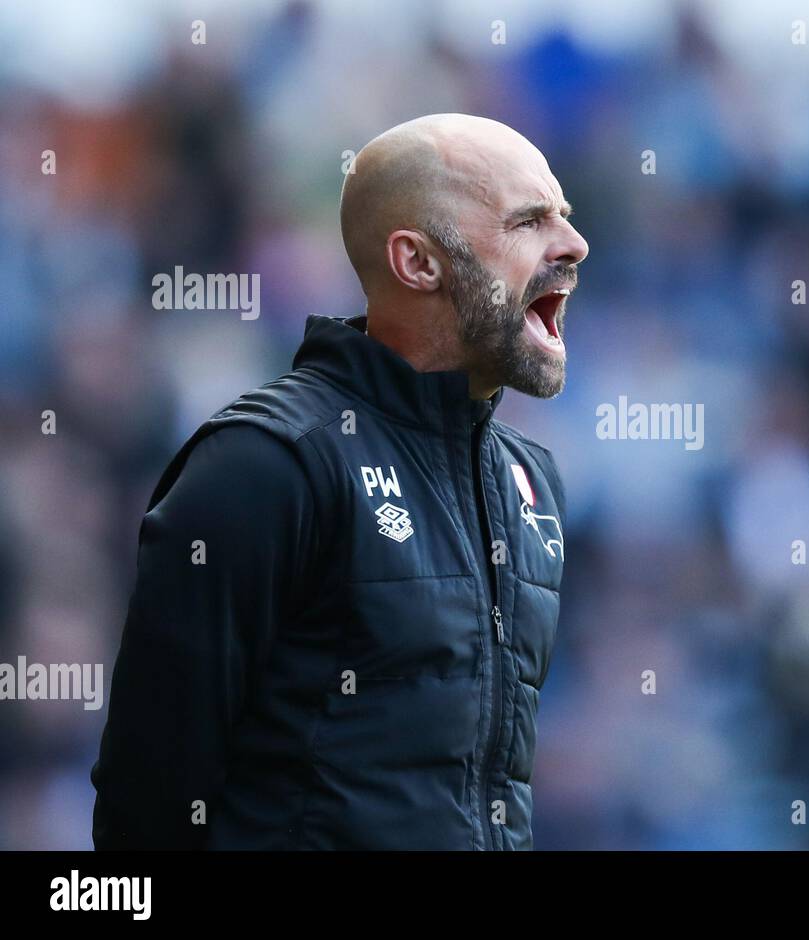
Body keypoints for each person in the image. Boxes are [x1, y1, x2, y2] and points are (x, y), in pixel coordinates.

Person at [90, 113, 589, 849]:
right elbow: (146, 807)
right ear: (418, 263)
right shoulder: (267, 464)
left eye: (566, 216)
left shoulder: (531, 482)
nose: (573, 244)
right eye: (528, 221)